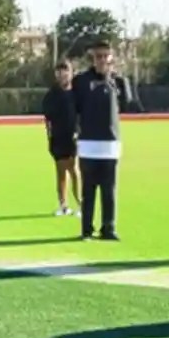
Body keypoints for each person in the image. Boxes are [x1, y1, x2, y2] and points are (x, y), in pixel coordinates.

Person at [72, 40, 132, 240]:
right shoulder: (81, 81)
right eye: (98, 56)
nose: (102, 60)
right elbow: (76, 107)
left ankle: (109, 228)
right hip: (88, 144)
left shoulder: (119, 81)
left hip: (111, 144)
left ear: (111, 57)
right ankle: (86, 230)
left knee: (109, 190)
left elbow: (125, 104)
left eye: (105, 56)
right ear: (93, 58)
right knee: (88, 190)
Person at [42, 59, 80, 216]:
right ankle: (63, 205)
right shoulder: (51, 95)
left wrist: (79, 132)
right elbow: (47, 119)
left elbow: (82, 114)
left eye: (65, 71)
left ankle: (81, 205)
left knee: (74, 170)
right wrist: (49, 137)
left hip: (74, 137)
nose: (62, 74)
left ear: (71, 73)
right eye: (59, 71)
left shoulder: (77, 94)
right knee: (60, 171)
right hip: (57, 137)